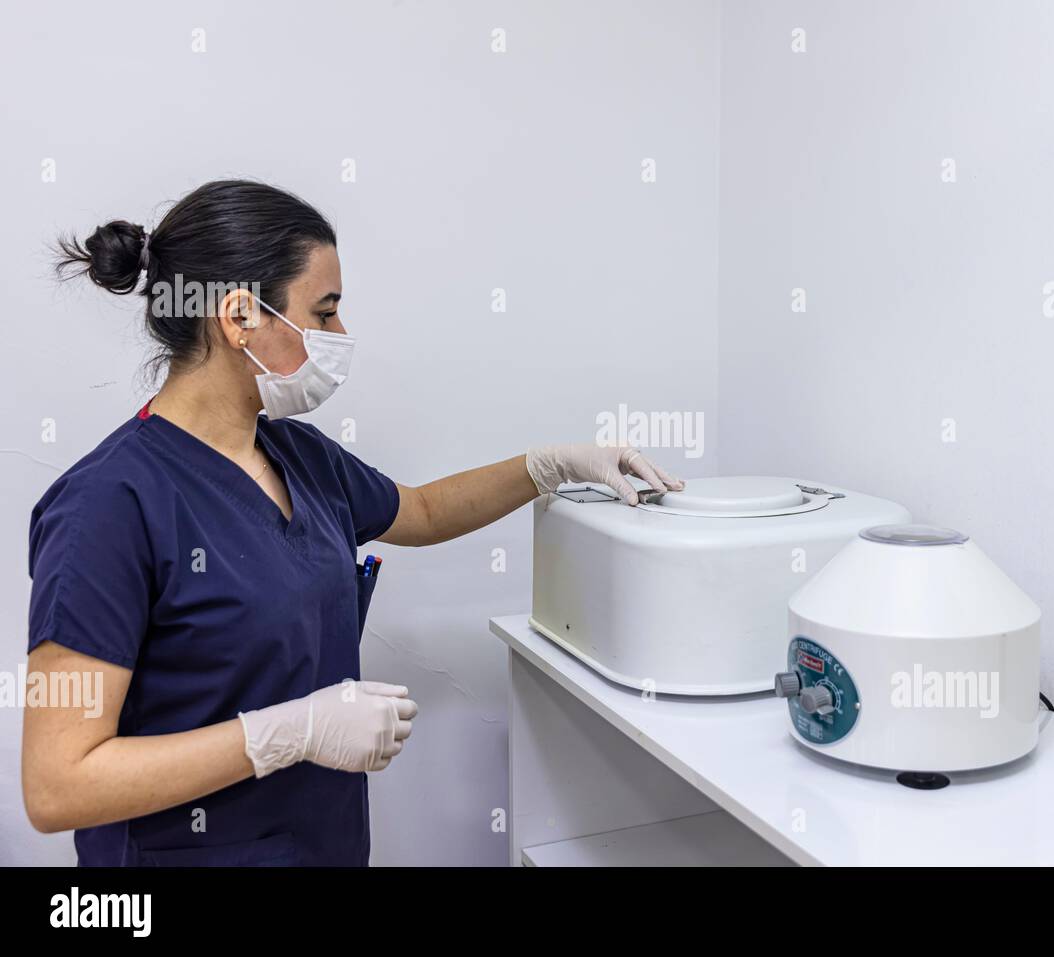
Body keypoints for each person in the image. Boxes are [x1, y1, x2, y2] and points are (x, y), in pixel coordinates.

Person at [22, 179, 683, 866]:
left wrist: (550, 464)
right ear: (240, 317)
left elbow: (422, 510)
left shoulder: (294, 454)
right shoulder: (106, 506)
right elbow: (57, 783)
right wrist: (285, 733)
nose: (340, 336)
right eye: (325, 311)